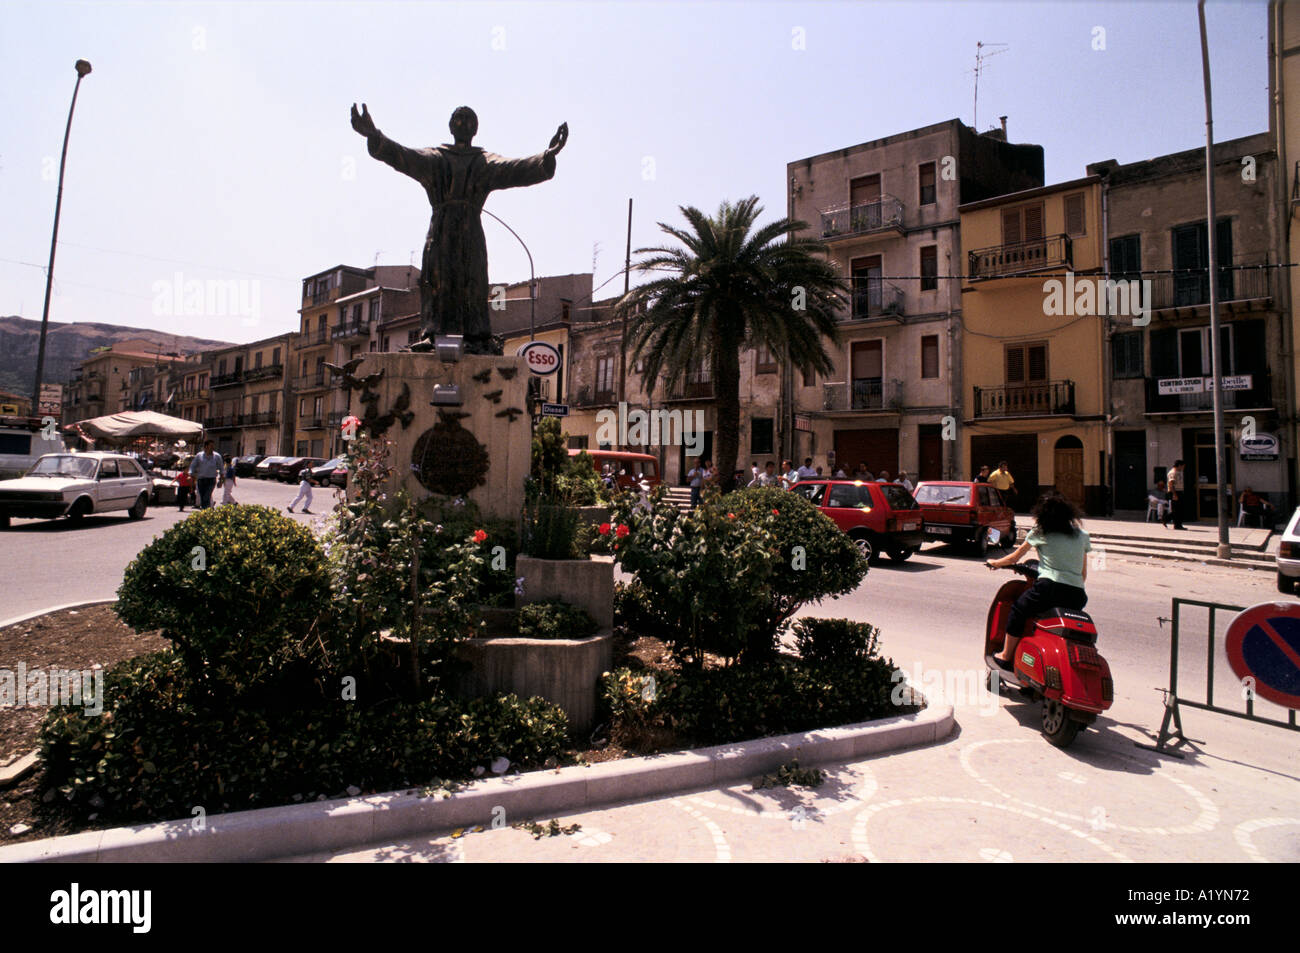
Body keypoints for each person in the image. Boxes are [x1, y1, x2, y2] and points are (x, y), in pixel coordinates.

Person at [986, 491, 1090, 667]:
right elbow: (1083, 573)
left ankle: (1006, 655)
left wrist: (995, 563)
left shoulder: (1039, 532)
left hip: (1048, 589)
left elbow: (1013, 558)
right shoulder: (1082, 535)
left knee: (1018, 609)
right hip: (1078, 595)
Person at [189, 440, 223, 510]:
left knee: (206, 496)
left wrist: (221, 481)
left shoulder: (217, 456)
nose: (213, 447)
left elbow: (222, 469)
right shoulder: (199, 455)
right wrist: (191, 474)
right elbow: (193, 465)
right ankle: (206, 512)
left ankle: (206, 512)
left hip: (211, 480)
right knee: (202, 497)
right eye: (211, 445)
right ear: (206, 447)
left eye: (213, 445)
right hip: (201, 480)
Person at [1167, 459, 1187, 530]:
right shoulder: (1172, 473)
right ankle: (1176, 525)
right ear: (1179, 465)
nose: (1183, 468)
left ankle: (1177, 523)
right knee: (1176, 509)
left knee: (1180, 509)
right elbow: (1171, 484)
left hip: (1179, 491)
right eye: (1182, 466)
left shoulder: (1179, 472)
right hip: (1175, 492)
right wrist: (1174, 494)